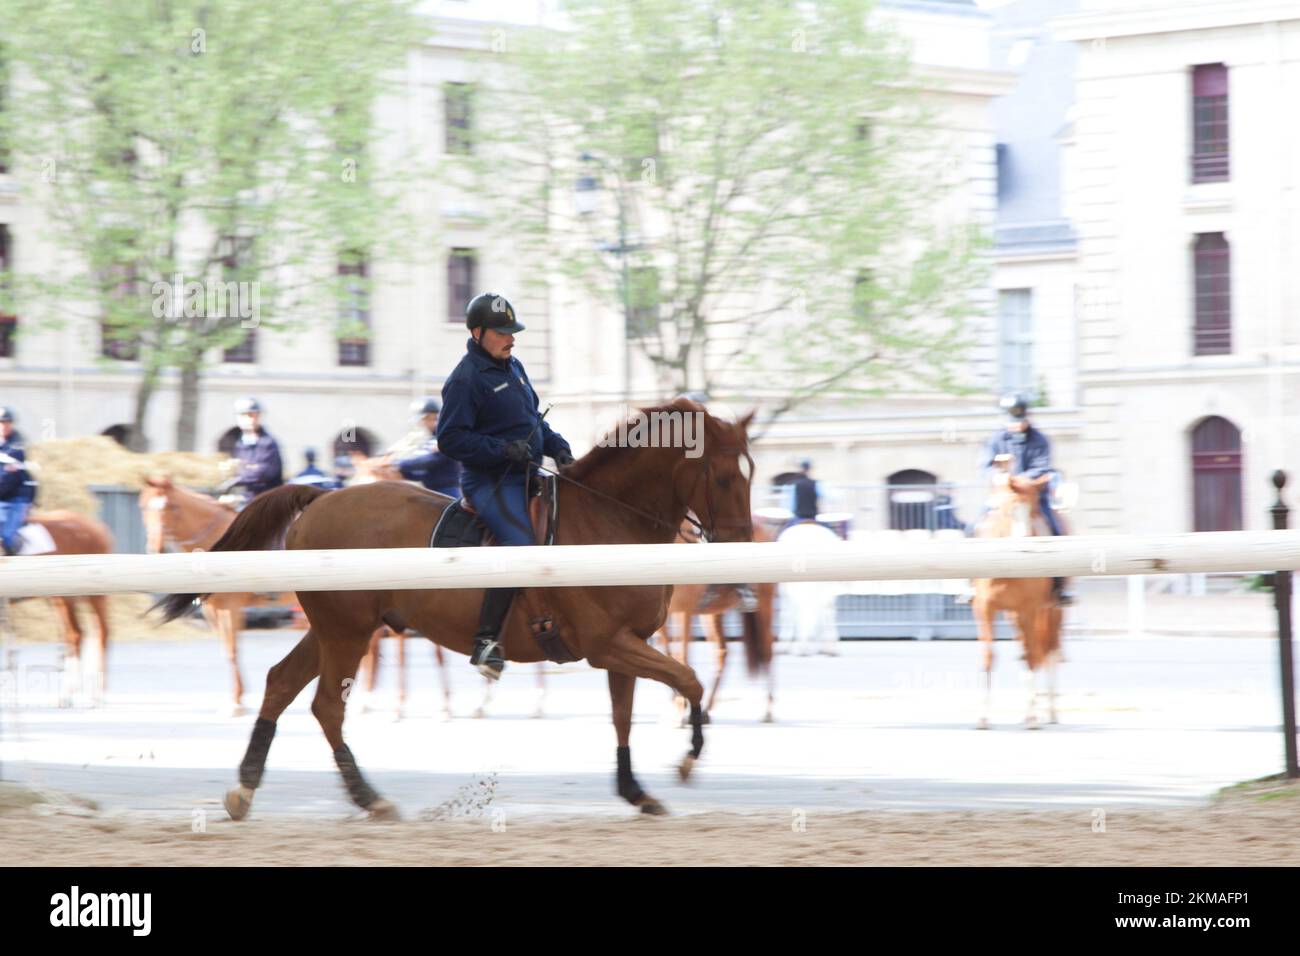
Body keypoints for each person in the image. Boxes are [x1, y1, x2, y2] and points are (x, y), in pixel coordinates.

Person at [437, 292, 574, 679]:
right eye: (502, 333)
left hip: (528, 474)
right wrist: (501, 450)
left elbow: (534, 421)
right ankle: (486, 642)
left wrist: (558, 448)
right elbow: (450, 439)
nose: (510, 338)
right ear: (478, 333)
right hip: (490, 481)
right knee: (520, 547)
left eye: (512, 331)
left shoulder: (514, 366)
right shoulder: (465, 379)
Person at [979, 392, 1072, 605]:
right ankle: (970, 584)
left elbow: (1042, 466)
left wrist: (1022, 480)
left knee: (1056, 529)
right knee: (975, 526)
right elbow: (985, 467)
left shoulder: (1039, 439)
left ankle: (1059, 587)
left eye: (1019, 419)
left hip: (1033, 494)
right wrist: (1001, 477)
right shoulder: (995, 440)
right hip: (1003, 495)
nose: (1016, 425)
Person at [394, 397, 462, 498]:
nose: (422, 424)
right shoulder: (429, 441)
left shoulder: (445, 438)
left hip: (447, 492)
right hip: (431, 491)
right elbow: (423, 473)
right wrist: (401, 473)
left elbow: (428, 461)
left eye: (425, 419)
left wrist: (396, 464)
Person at [229, 397, 284, 503]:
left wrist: (236, 475)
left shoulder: (268, 443)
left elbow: (262, 472)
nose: (250, 420)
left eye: (253, 415)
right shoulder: (239, 443)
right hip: (247, 498)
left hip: (268, 500)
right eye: (245, 416)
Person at [0, 406, 37, 556]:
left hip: (17, 499)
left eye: (5, 422)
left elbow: (8, 481)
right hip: (2, 499)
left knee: (8, 537)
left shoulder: (16, 447)